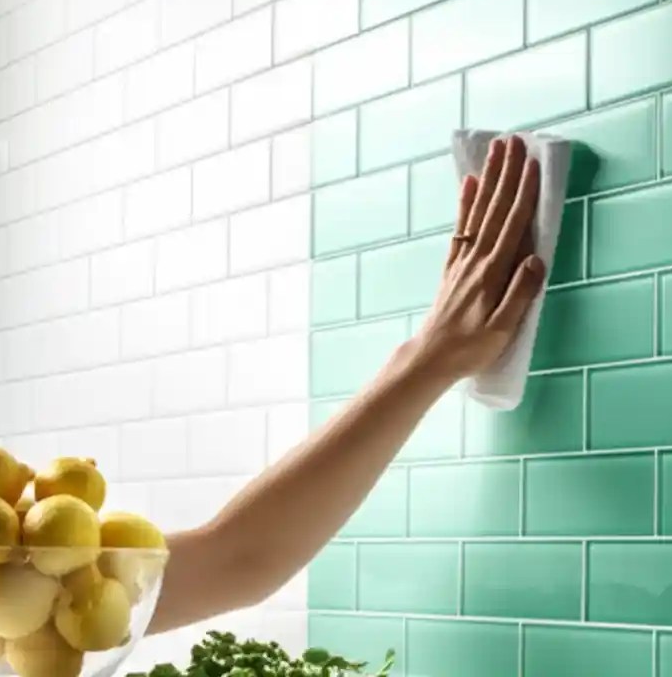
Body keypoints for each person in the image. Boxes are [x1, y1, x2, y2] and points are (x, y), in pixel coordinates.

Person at [150, 135, 545, 633]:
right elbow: (232, 563)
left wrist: (428, 360)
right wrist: (426, 360)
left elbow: (232, 562)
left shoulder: (34, 568)